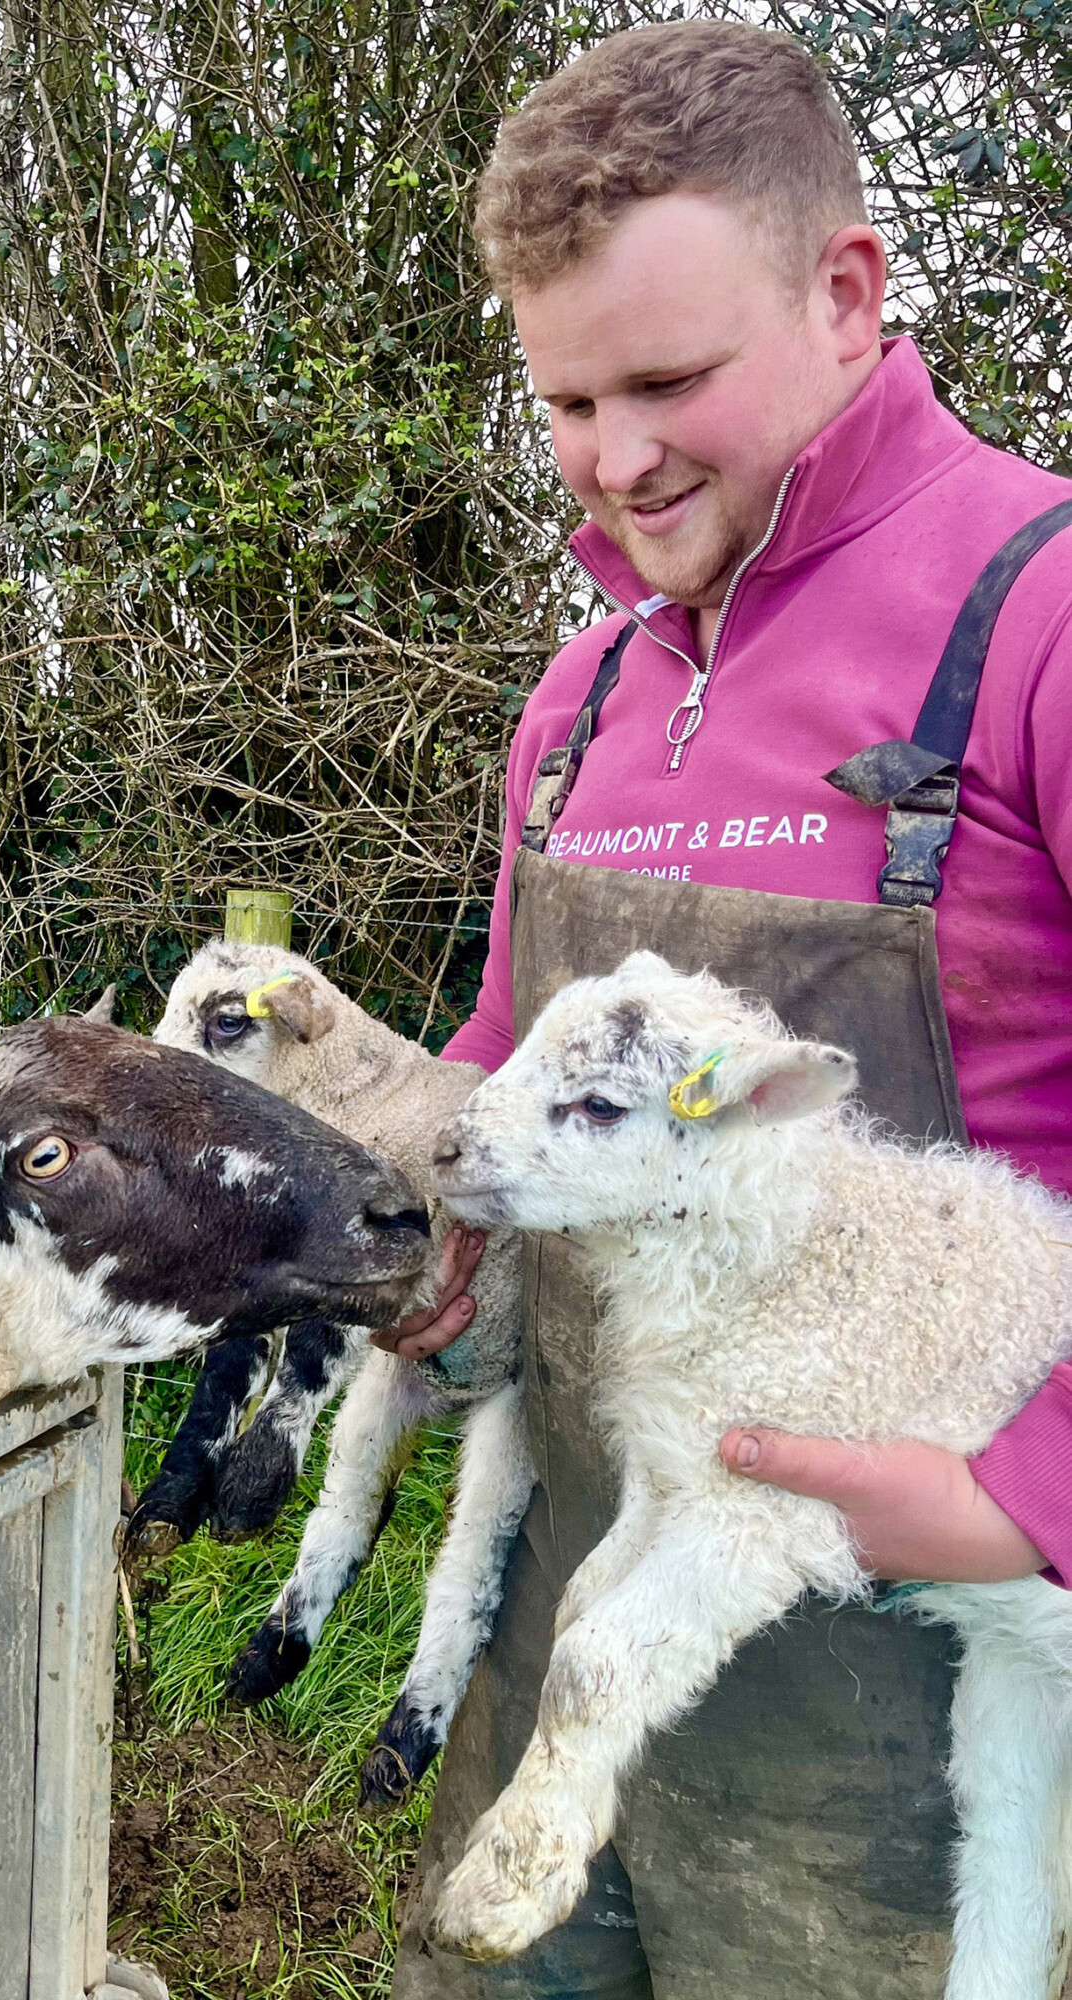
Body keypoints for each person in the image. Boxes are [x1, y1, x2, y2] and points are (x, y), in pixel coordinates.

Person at [373, 21, 1072, 1999]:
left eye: (670, 379)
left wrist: (1027, 1501)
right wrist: (419, 1244)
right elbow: (511, 1072)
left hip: (906, 1739)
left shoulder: (1038, 619)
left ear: (848, 291)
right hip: (584, 1632)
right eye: (567, 399)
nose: (615, 458)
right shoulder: (580, 696)